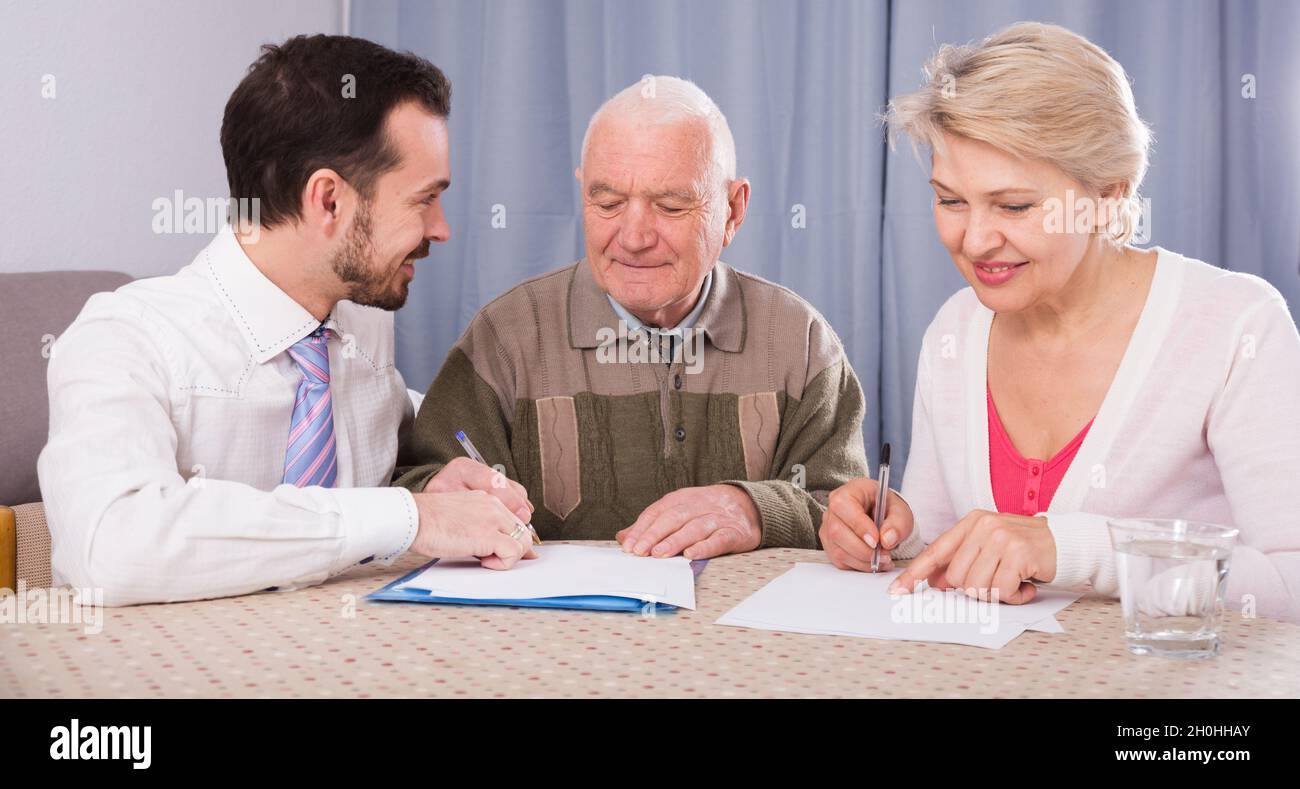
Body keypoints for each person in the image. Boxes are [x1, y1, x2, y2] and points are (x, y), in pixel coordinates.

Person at [825, 22, 1300, 623]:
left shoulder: (1237, 326)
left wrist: (1066, 547)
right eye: (950, 200)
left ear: (1109, 195)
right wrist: (897, 536)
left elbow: (1289, 581)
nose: (974, 241)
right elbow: (946, 556)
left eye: (1015, 206)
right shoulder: (956, 329)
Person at [39, 35, 537, 607]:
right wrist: (408, 515)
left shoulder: (360, 330)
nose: (441, 228)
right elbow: (113, 550)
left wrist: (434, 481)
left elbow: (395, 429)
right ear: (328, 200)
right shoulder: (124, 339)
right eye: (425, 200)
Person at [396, 76, 885, 560]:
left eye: (670, 206)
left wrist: (754, 509)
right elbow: (414, 492)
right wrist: (436, 492)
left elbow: (852, 519)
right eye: (607, 203)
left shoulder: (801, 343)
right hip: (554, 637)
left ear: (733, 211)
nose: (632, 237)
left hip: (744, 636)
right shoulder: (504, 338)